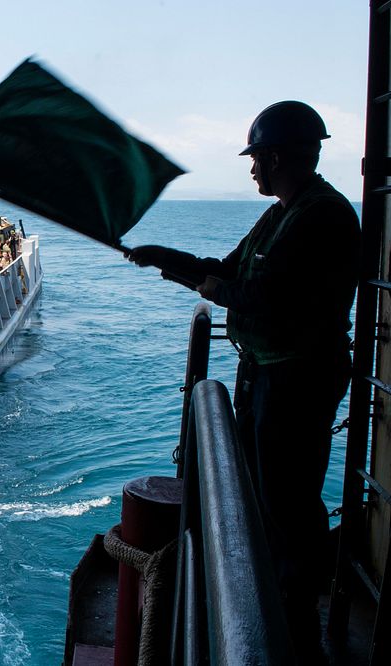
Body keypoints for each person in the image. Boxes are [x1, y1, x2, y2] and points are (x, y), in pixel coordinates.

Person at [127, 100, 360, 664]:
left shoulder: (322, 216)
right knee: (264, 493)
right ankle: (279, 599)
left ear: (277, 156)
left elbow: (273, 301)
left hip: (296, 380)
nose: (252, 170)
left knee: (288, 502)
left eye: (256, 158)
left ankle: (294, 625)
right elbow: (231, 268)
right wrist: (168, 259)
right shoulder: (285, 212)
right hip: (269, 376)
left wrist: (213, 289)